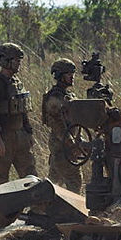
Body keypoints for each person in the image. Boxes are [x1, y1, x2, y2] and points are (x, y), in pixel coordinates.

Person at [0, 42, 38, 186]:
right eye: (16, 60)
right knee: (0, 179)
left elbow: (22, 110)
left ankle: (36, 208)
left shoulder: (16, 82)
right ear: (6, 61)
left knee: (31, 176)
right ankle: (3, 209)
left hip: (20, 136)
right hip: (3, 137)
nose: (19, 64)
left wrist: (28, 133)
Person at [40, 58, 83, 192]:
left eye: (73, 73)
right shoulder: (55, 97)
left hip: (65, 147)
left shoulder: (68, 95)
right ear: (59, 76)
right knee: (74, 182)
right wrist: (71, 143)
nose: (72, 77)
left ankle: (42, 210)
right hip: (62, 148)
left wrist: (79, 140)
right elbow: (57, 124)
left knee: (53, 183)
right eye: (68, 74)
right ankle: (73, 211)